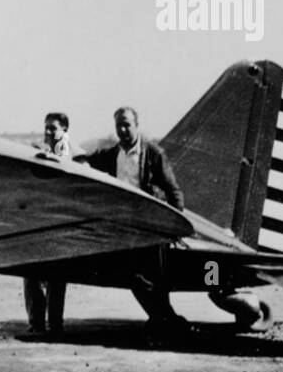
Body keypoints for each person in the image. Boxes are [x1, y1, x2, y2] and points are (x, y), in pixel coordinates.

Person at [78, 107, 188, 332]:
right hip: (125, 228)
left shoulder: (154, 154)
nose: (122, 129)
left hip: (151, 225)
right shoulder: (111, 155)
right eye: (119, 125)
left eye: (127, 124)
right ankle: (167, 320)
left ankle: (163, 321)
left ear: (137, 125)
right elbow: (83, 160)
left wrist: (176, 227)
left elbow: (173, 190)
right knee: (133, 276)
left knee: (156, 279)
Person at [23, 112, 84, 335]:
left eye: (54, 128)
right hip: (39, 221)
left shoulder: (77, 155)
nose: (48, 132)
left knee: (57, 278)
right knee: (32, 276)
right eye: (46, 127)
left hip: (63, 223)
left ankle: (55, 325)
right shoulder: (37, 152)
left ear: (65, 129)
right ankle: (36, 323)